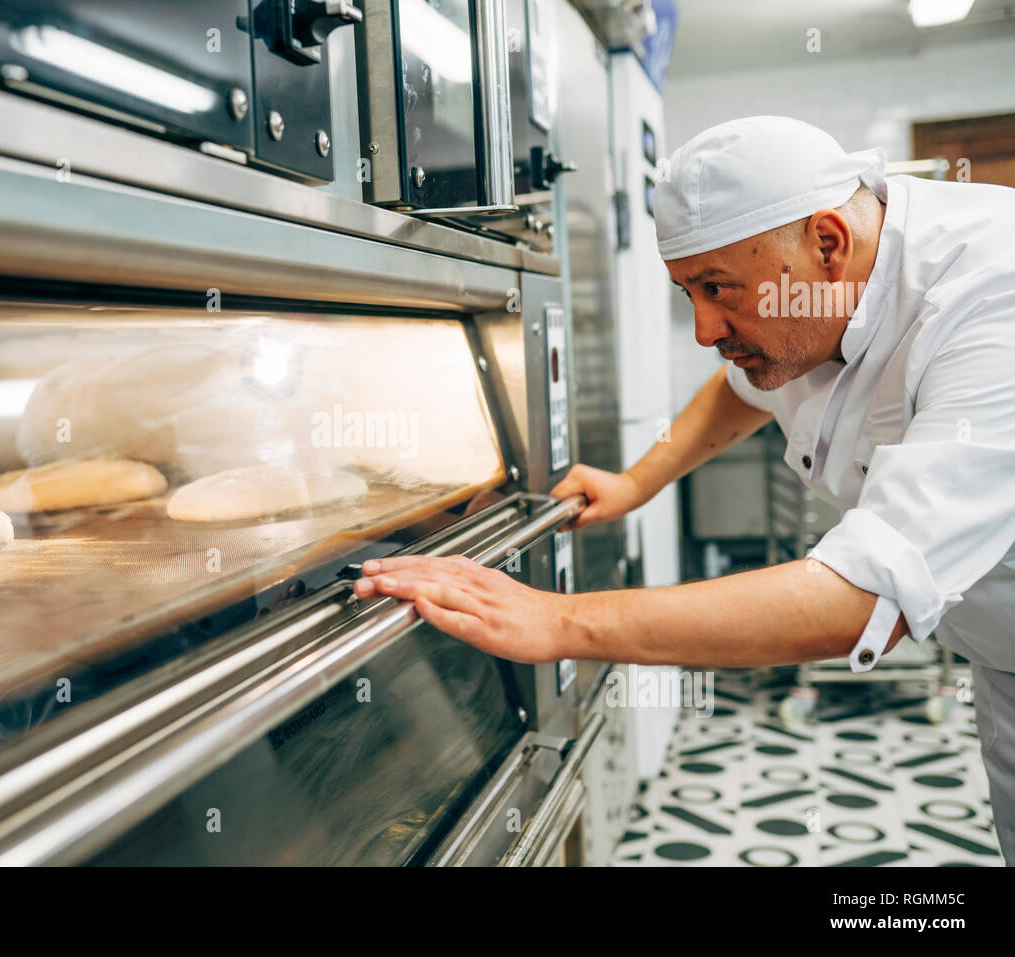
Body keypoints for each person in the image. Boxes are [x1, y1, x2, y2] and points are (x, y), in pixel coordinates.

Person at [351, 115, 1015, 863]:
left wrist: (560, 621)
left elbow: (859, 599)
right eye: (687, 291)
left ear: (828, 244)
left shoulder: (992, 298)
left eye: (717, 288)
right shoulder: (817, 295)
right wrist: (636, 482)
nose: (703, 329)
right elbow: (739, 389)